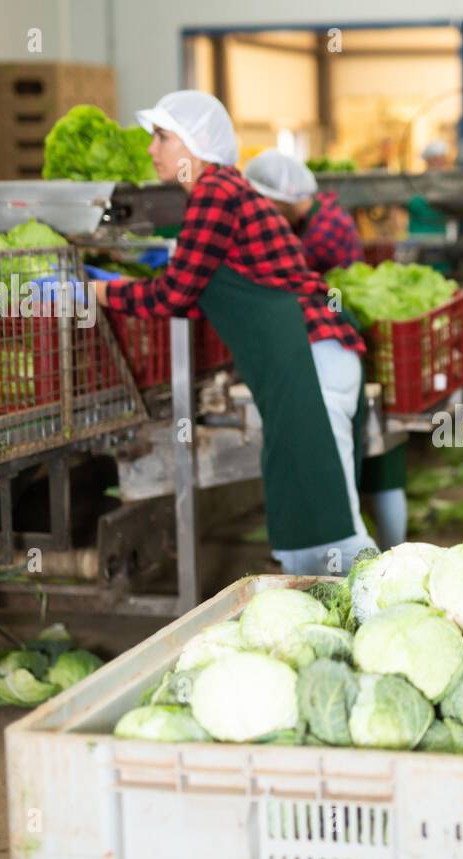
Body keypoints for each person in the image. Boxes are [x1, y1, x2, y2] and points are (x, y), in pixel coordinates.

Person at [92, 91, 376, 575]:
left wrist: (95, 294)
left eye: (162, 137)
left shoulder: (214, 193)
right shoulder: (224, 190)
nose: (150, 150)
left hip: (309, 362)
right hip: (310, 356)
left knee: (330, 517)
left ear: (195, 146)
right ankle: (319, 616)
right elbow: (201, 290)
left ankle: (382, 608)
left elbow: (174, 298)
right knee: (306, 503)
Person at [245, 150, 409, 550]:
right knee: (363, 471)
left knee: (355, 475)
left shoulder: (321, 229)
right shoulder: (313, 218)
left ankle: (378, 557)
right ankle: (383, 556)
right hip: (341, 347)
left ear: (279, 198)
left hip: (338, 343)